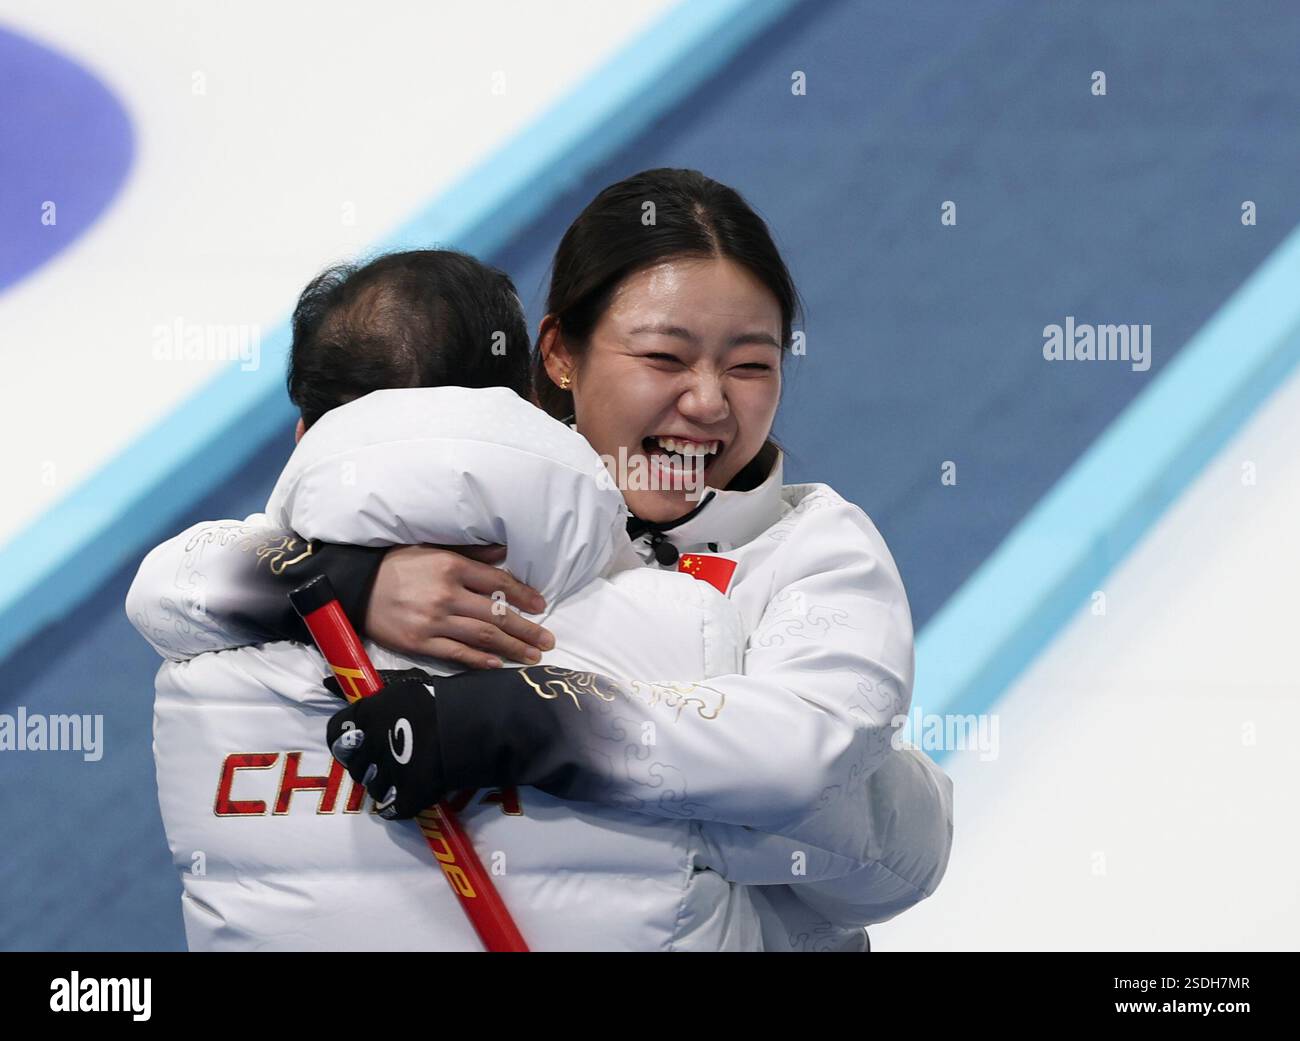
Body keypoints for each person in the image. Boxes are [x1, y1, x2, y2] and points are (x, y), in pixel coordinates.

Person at [130, 170, 954, 950]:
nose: (708, 402)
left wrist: (539, 718)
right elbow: (169, 581)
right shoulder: (471, 534)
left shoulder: (816, 547)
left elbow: (876, 840)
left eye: (750, 365)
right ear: (558, 355)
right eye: (664, 358)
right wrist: (353, 583)